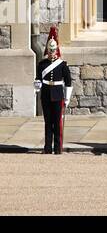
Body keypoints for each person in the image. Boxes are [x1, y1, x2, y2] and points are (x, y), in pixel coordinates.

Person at [35, 27, 72, 155]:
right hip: (45, 94)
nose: (51, 52)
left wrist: (66, 98)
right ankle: (47, 148)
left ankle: (57, 148)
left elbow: (68, 82)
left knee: (57, 123)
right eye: (50, 50)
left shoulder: (62, 65)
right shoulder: (42, 64)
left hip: (57, 94)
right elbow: (38, 78)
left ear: (56, 50)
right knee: (47, 122)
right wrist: (37, 85)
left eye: (53, 50)